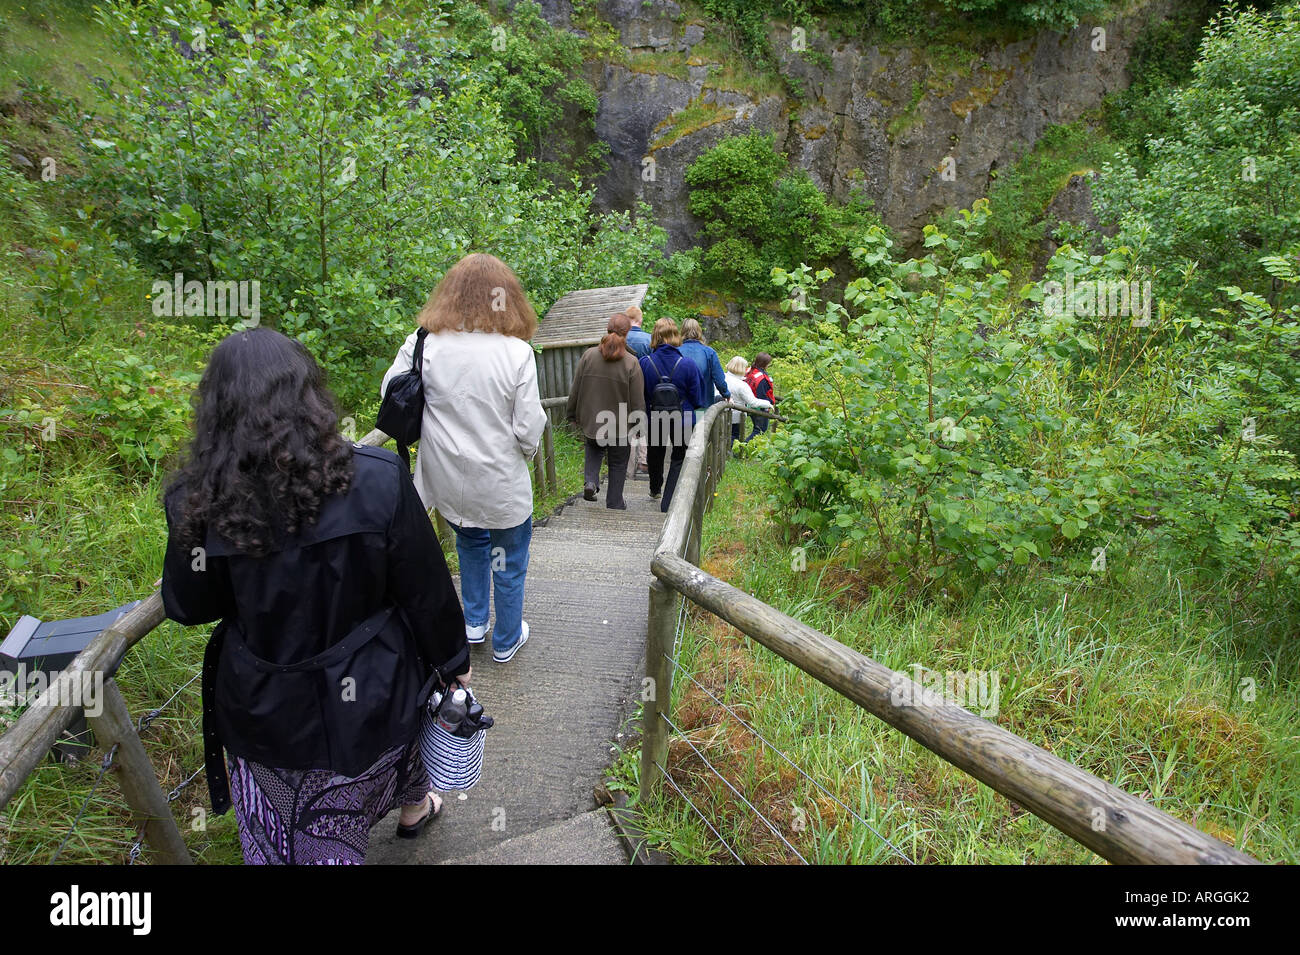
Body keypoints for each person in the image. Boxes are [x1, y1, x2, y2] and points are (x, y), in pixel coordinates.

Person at [161, 328, 469, 865]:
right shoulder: (378, 478)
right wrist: (454, 662)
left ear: (215, 409)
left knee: (291, 837)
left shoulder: (197, 499)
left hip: (267, 706)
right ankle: (414, 807)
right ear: (309, 396)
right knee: (389, 742)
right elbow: (425, 588)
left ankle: (391, 817)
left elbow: (189, 606)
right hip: (374, 689)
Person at [382, 253, 546, 665]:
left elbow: (392, 390)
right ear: (506, 298)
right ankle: (507, 639)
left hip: (449, 478)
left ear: (450, 295)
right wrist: (524, 455)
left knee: (470, 542)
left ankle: (474, 623)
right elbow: (528, 426)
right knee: (508, 560)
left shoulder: (424, 342)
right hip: (500, 479)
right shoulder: (516, 352)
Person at [566, 313, 645, 510]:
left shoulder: (589, 355)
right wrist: (639, 425)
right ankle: (614, 502)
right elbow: (637, 399)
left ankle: (591, 482)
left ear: (607, 329)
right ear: (626, 334)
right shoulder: (631, 362)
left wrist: (572, 414)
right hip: (619, 426)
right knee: (618, 463)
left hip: (592, 421)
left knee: (593, 447)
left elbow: (575, 388)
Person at [640, 317, 705, 512]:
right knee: (678, 457)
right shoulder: (688, 364)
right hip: (683, 417)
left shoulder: (645, 363)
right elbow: (699, 399)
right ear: (676, 335)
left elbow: (640, 394)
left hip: (655, 416)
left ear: (655, 336)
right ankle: (668, 501)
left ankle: (655, 488)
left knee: (655, 453)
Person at [623, 304, 652, 481]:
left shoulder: (619, 338)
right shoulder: (649, 340)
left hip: (622, 387)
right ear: (640, 320)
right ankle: (643, 461)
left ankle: (627, 468)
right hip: (643, 389)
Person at [679, 318, 729, 406]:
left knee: (687, 419)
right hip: (702, 404)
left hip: (682, 405)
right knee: (701, 420)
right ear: (699, 331)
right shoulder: (709, 352)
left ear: (682, 331)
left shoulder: (676, 351)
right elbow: (719, 380)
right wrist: (726, 395)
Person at [724, 355, 773, 445]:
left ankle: (727, 455)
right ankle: (736, 452)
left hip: (721, 413)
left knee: (723, 435)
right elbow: (753, 402)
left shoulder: (722, 378)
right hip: (736, 415)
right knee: (734, 436)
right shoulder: (741, 385)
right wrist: (768, 404)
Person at [743, 353, 778, 437]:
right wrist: (769, 403)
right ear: (765, 364)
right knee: (760, 430)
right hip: (758, 406)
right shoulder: (762, 378)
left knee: (757, 429)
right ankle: (744, 447)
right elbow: (761, 395)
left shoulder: (749, 370)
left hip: (747, 403)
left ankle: (743, 447)